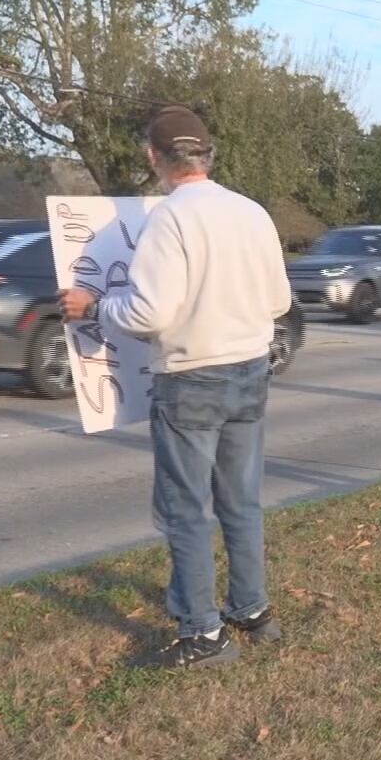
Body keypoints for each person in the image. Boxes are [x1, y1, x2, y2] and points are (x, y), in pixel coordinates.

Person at [58, 105, 291, 670]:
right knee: (240, 499)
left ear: (153, 158)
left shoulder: (169, 216)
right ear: (207, 156)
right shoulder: (252, 211)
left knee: (184, 509)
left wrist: (94, 303)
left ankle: (203, 633)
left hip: (192, 377)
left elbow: (149, 312)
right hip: (250, 368)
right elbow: (281, 300)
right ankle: (252, 609)